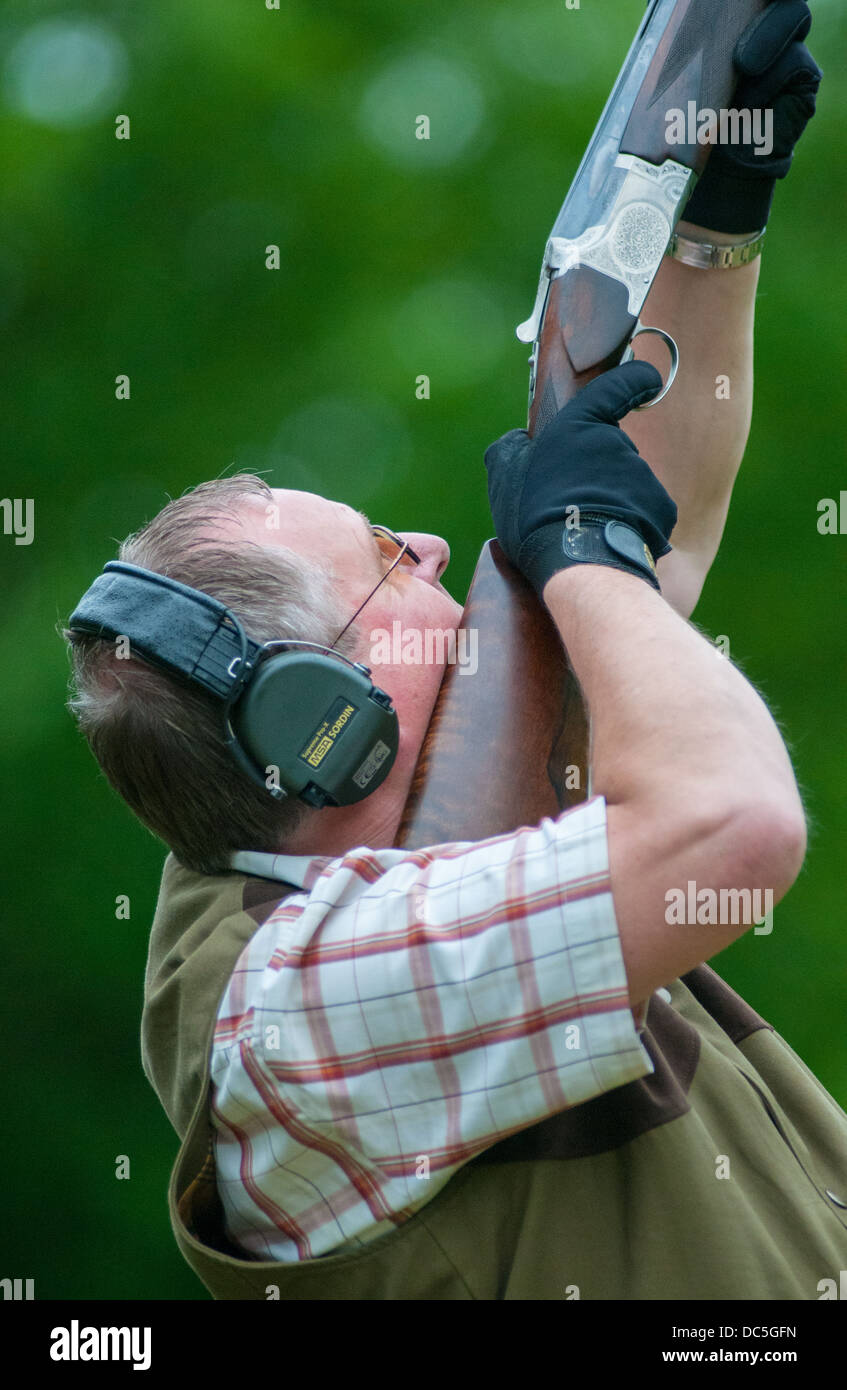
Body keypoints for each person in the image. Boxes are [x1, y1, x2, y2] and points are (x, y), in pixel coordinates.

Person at [65, 2, 847, 1298]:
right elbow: (735, 826)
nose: (435, 542)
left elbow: (663, 554)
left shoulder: (377, 848)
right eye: (390, 560)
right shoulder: (298, 1020)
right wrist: (582, 548)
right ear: (318, 714)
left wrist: (713, 219)